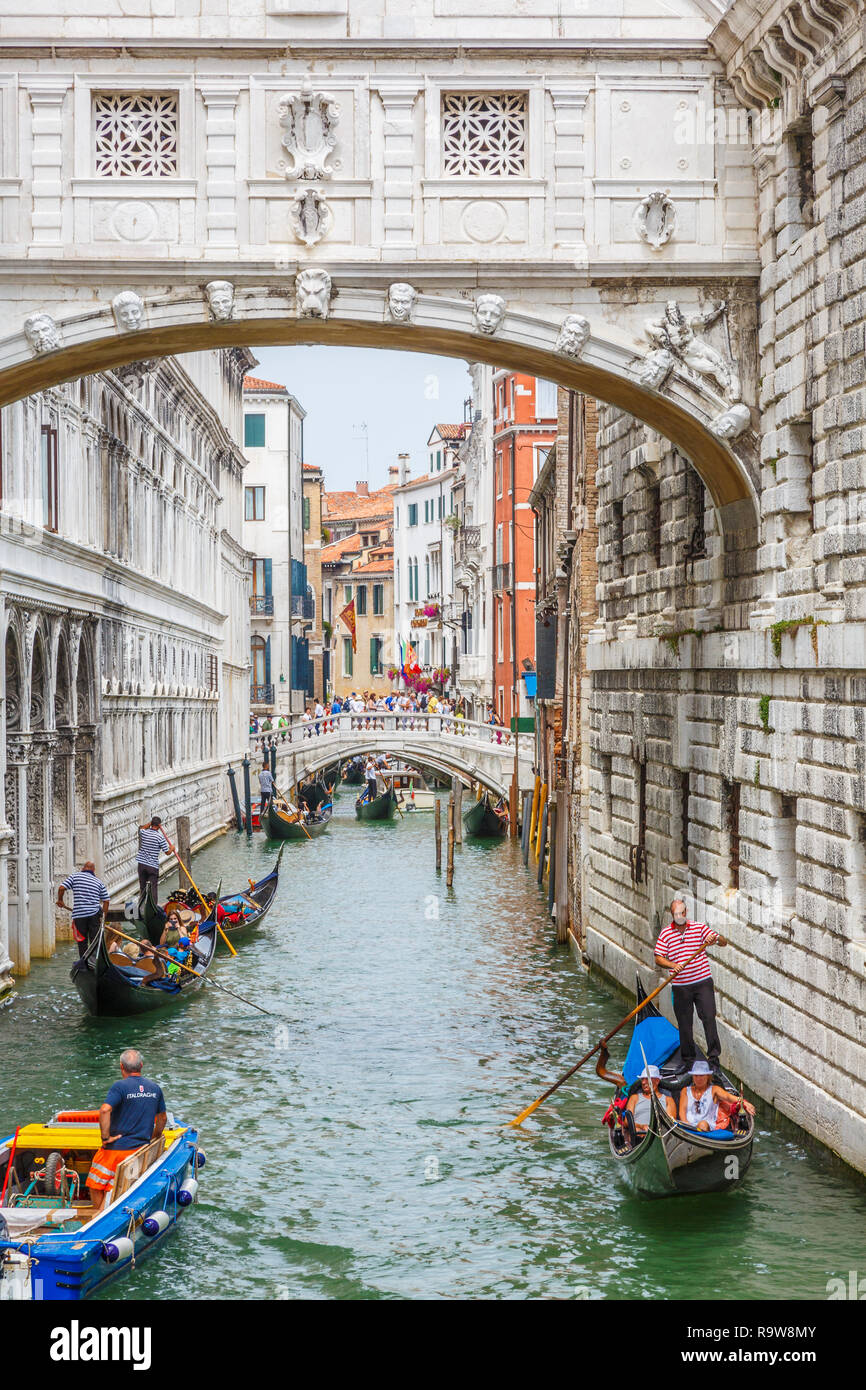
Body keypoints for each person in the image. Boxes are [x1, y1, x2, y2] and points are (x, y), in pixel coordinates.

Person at [86, 1049, 167, 1214]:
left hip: (115, 1152)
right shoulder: (155, 1088)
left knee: (94, 1185)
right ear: (141, 1066)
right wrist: (154, 1138)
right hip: (139, 1150)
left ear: (121, 1066)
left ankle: (99, 1215)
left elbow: (104, 1110)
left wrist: (105, 1137)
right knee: (112, 1186)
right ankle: (103, 1213)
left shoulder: (120, 1087)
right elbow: (162, 1119)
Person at [654, 899, 727, 1070]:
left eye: (682, 913)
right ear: (672, 915)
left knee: (709, 1018)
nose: (679, 916)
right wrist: (673, 965)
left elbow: (723, 942)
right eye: (676, 914)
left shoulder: (699, 928)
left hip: (702, 983)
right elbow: (658, 957)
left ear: (686, 912)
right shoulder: (666, 934)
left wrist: (714, 939)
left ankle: (714, 1059)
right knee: (685, 1024)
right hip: (681, 987)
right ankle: (688, 1061)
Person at [678, 1060, 755, 1132]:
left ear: (708, 1076)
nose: (698, 1079)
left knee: (702, 1125)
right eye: (696, 1076)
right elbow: (682, 1112)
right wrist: (686, 1125)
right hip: (688, 1127)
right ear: (693, 1077)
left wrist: (744, 1103)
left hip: (707, 1126)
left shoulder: (714, 1090)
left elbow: (728, 1097)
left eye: (701, 1076)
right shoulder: (685, 1091)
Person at [56, 861, 110, 957]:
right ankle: (94, 962)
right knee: (95, 941)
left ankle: (84, 964)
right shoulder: (98, 882)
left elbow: (61, 888)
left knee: (82, 942)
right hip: (94, 914)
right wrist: (103, 917)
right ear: (93, 870)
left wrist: (60, 900)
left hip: (79, 915)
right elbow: (106, 901)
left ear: (83, 868)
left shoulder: (75, 877)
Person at [136, 817, 169, 907]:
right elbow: (167, 852)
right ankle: (153, 906)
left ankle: (141, 905)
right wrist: (172, 848)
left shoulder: (144, 833)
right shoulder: (160, 837)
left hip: (141, 864)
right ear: (159, 826)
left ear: (151, 823)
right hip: (152, 866)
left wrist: (149, 823)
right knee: (153, 887)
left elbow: (142, 828)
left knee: (142, 886)